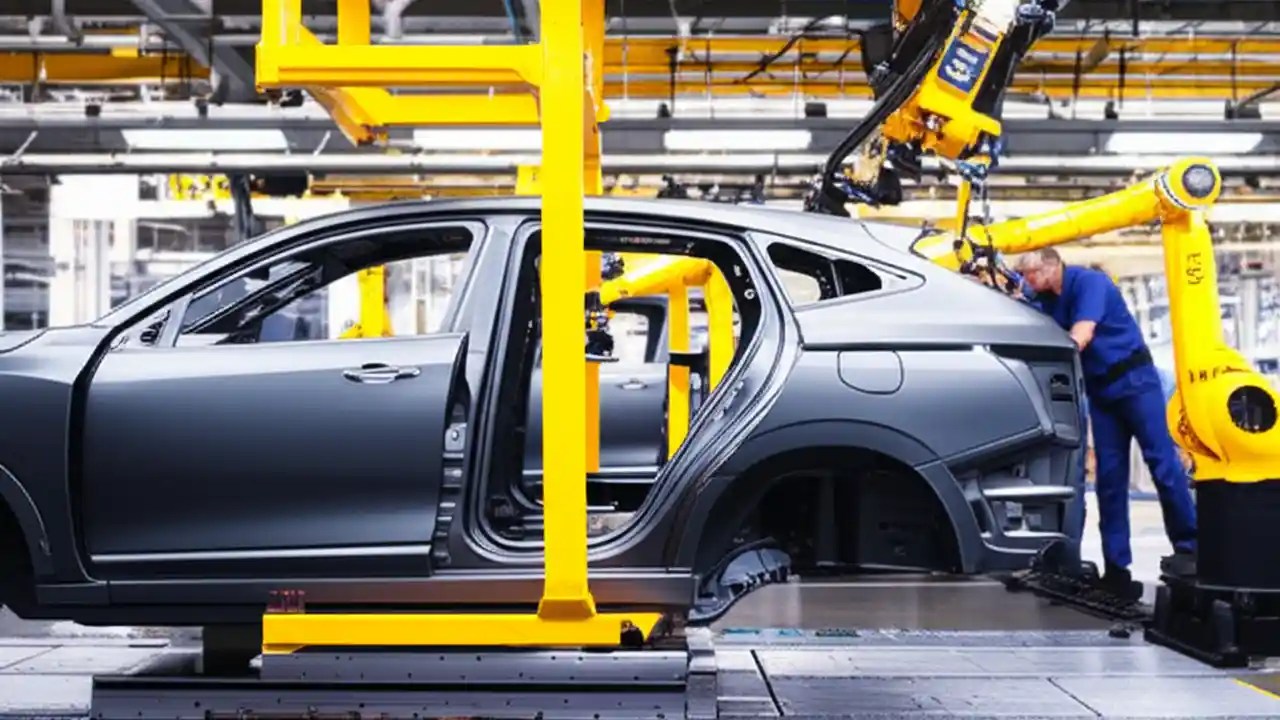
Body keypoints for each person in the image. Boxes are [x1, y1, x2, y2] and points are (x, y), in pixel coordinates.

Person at [1016, 248, 1197, 600]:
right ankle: (1117, 569)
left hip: (1135, 383)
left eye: (1032, 273)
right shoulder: (1043, 299)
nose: (1028, 281)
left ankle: (1191, 548)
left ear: (1053, 266)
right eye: (1023, 274)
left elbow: (1081, 335)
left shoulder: (1089, 284)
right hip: (1102, 394)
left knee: (1163, 465)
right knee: (1109, 482)